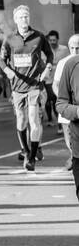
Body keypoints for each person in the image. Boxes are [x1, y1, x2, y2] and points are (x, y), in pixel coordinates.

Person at [0, 6, 54, 171]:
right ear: (16, 20)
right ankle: (26, 149)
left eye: (26, 16)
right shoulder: (9, 39)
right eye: (21, 17)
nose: (24, 19)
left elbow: (49, 54)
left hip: (35, 85)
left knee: (34, 119)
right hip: (17, 87)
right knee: (21, 120)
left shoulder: (38, 37)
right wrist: (8, 71)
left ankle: (31, 158)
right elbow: (2, 60)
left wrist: (48, 68)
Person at [53, 34, 79, 168]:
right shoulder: (64, 63)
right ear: (69, 48)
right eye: (73, 48)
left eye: (78, 48)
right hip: (67, 105)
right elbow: (56, 84)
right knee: (68, 134)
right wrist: (63, 99)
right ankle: (73, 154)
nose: (75, 51)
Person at [45, 30, 70, 125]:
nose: (52, 42)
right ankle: (50, 120)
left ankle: (59, 124)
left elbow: (69, 61)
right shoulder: (46, 51)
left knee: (57, 101)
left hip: (60, 80)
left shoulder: (64, 49)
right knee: (48, 101)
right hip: (48, 80)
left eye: (54, 40)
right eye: (50, 40)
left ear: (57, 39)